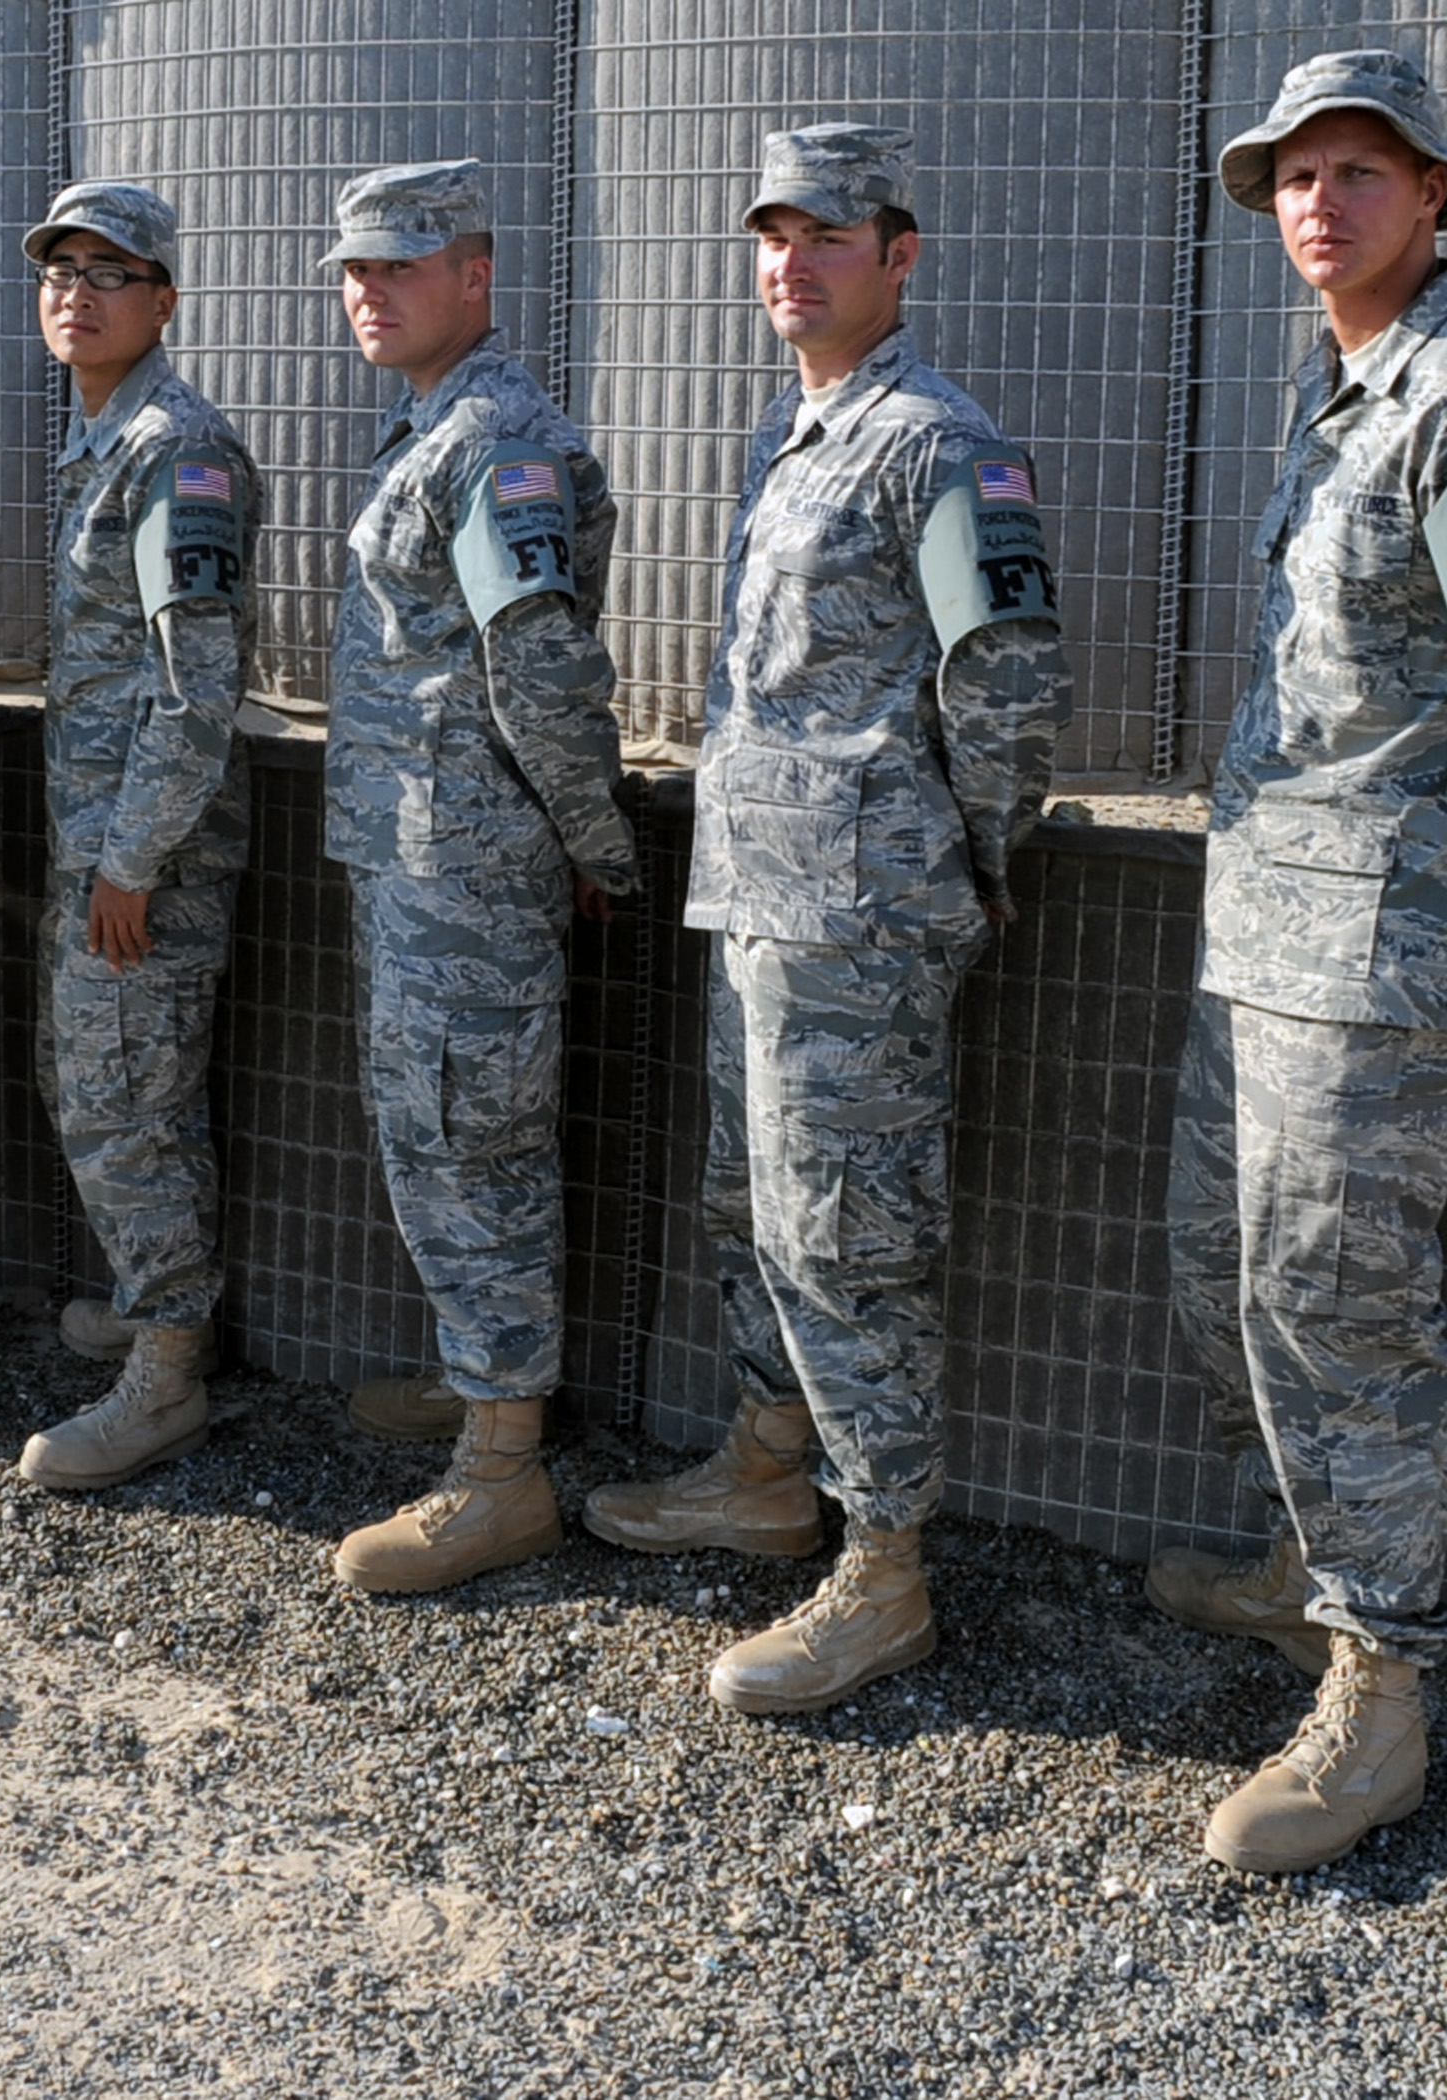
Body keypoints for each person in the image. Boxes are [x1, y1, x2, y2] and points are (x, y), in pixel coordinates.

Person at [1151, 50, 1447, 1875]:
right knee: (1229, 1271)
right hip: (1266, 924)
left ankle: (1379, 1695)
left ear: (1433, 197)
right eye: (1291, 175)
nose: (1316, 202)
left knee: (1342, 1310)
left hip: (1387, 950)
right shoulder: (1339, 394)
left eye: (1357, 172)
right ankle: (1299, 1559)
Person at [587, 125, 1070, 1714]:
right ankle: (766, 1464)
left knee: (849, 1235)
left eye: (828, 237)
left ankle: (884, 1569)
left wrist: (968, 858)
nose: (790, 263)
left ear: (899, 255)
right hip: (758, 896)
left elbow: (1002, 684)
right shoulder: (790, 433)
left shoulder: (939, 444)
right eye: (772, 237)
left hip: (861, 915)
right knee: (752, 1206)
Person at [318, 160, 638, 1593]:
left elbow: (543, 671)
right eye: (353, 270)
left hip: (472, 869)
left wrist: (594, 841)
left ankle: (503, 1470)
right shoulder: (429, 429)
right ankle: (479, 1379)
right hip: (411, 861)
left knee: (473, 1144)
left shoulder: (499, 440)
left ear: (476, 275)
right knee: (432, 1141)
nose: (367, 292)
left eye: (399, 265)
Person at [12, 182, 260, 1490]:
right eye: (60, 271)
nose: (78, 292)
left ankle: (165, 1369)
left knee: (126, 1100)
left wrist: (131, 863)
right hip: (97, 846)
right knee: (102, 1084)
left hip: (142, 861)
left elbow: (195, 684)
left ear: (164, 300)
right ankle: (150, 1296)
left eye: (112, 271)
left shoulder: (178, 453)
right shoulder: (104, 442)